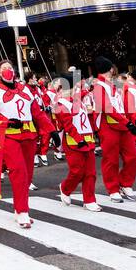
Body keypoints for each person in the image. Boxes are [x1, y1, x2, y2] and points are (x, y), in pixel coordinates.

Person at [0, 59, 38, 228]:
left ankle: (19, 208)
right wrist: (7, 121)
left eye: (10, 68)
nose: (8, 70)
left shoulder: (25, 89)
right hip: (10, 136)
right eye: (4, 68)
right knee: (18, 172)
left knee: (28, 174)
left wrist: (47, 130)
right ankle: (22, 211)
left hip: (29, 135)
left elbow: (36, 110)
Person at [91, 57, 136, 203]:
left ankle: (125, 183)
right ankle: (112, 188)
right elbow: (107, 108)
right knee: (111, 159)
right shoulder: (99, 85)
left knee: (132, 155)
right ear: (110, 69)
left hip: (122, 125)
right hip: (108, 126)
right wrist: (127, 121)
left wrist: (132, 119)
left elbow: (123, 104)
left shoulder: (112, 85)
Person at [53, 79, 100, 211]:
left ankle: (90, 200)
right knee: (77, 171)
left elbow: (86, 93)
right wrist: (79, 139)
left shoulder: (78, 100)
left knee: (91, 172)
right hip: (73, 142)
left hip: (88, 140)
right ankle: (65, 188)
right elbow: (68, 125)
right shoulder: (61, 105)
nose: (74, 91)